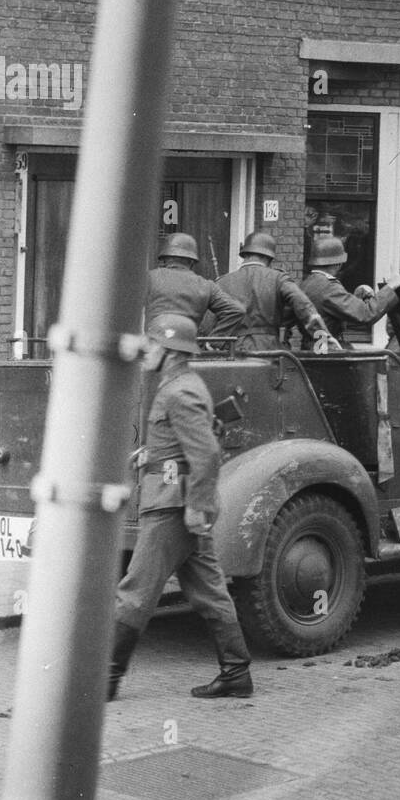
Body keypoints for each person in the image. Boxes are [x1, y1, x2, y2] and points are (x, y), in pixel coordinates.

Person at [109, 314, 253, 701]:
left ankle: (105, 678)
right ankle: (236, 672)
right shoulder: (178, 385)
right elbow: (182, 444)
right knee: (210, 590)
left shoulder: (179, 391)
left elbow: (205, 454)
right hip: (178, 499)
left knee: (135, 591)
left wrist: (196, 506)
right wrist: (150, 454)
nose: (146, 350)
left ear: (170, 351)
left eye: (152, 344)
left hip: (173, 506)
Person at [217, 231, 338, 353]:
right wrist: (326, 340)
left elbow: (207, 326)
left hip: (233, 353)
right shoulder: (279, 279)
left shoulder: (222, 282)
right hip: (269, 352)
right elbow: (304, 307)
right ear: (269, 257)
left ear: (244, 255)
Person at [301, 235, 400, 345]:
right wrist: (390, 286)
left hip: (311, 349)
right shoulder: (329, 287)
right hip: (328, 352)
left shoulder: (305, 284)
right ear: (338, 263)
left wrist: (355, 299)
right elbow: (366, 314)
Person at [146, 232, 245, 340]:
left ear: (164, 259)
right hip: (187, 349)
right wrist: (213, 341)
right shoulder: (206, 286)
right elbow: (236, 310)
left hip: (152, 347)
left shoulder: (149, 278)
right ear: (192, 261)